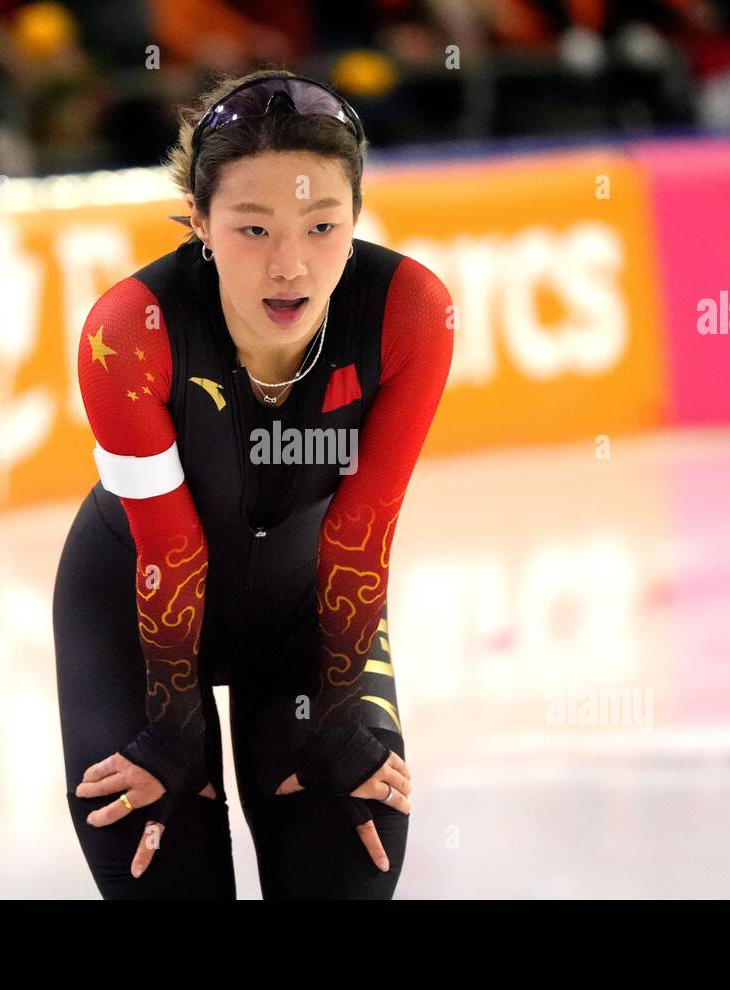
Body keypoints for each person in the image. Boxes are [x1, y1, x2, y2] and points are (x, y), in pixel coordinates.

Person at [53, 68, 454, 899]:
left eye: (321, 225)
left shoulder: (410, 311)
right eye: (252, 229)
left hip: (309, 623)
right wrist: (172, 732)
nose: (290, 266)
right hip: (136, 611)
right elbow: (170, 546)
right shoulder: (130, 333)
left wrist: (341, 715)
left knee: (346, 863)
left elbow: (364, 527)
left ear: (356, 217)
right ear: (197, 220)